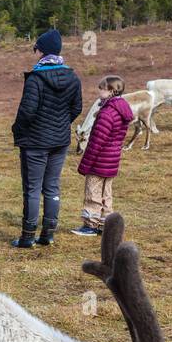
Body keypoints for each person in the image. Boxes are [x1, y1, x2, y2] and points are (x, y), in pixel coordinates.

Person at [10, 29, 83, 248]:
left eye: (37, 49)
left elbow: (27, 112)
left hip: (35, 142)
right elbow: (76, 108)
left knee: (32, 189)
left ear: (41, 51)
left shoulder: (36, 78)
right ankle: (48, 234)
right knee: (52, 187)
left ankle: (27, 236)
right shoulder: (72, 76)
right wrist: (60, 124)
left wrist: (18, 130)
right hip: (60, 141)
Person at [73, 75, 134, 236]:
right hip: (112, 160)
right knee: (106, 194)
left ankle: (90, 225)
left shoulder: (107, 113)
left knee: (93, 192)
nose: (99, 90)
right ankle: (105, 225)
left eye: (102, 88)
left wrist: (85, 164)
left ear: (112, 91)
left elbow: (96, 142)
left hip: (100, 160)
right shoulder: (121, 110)